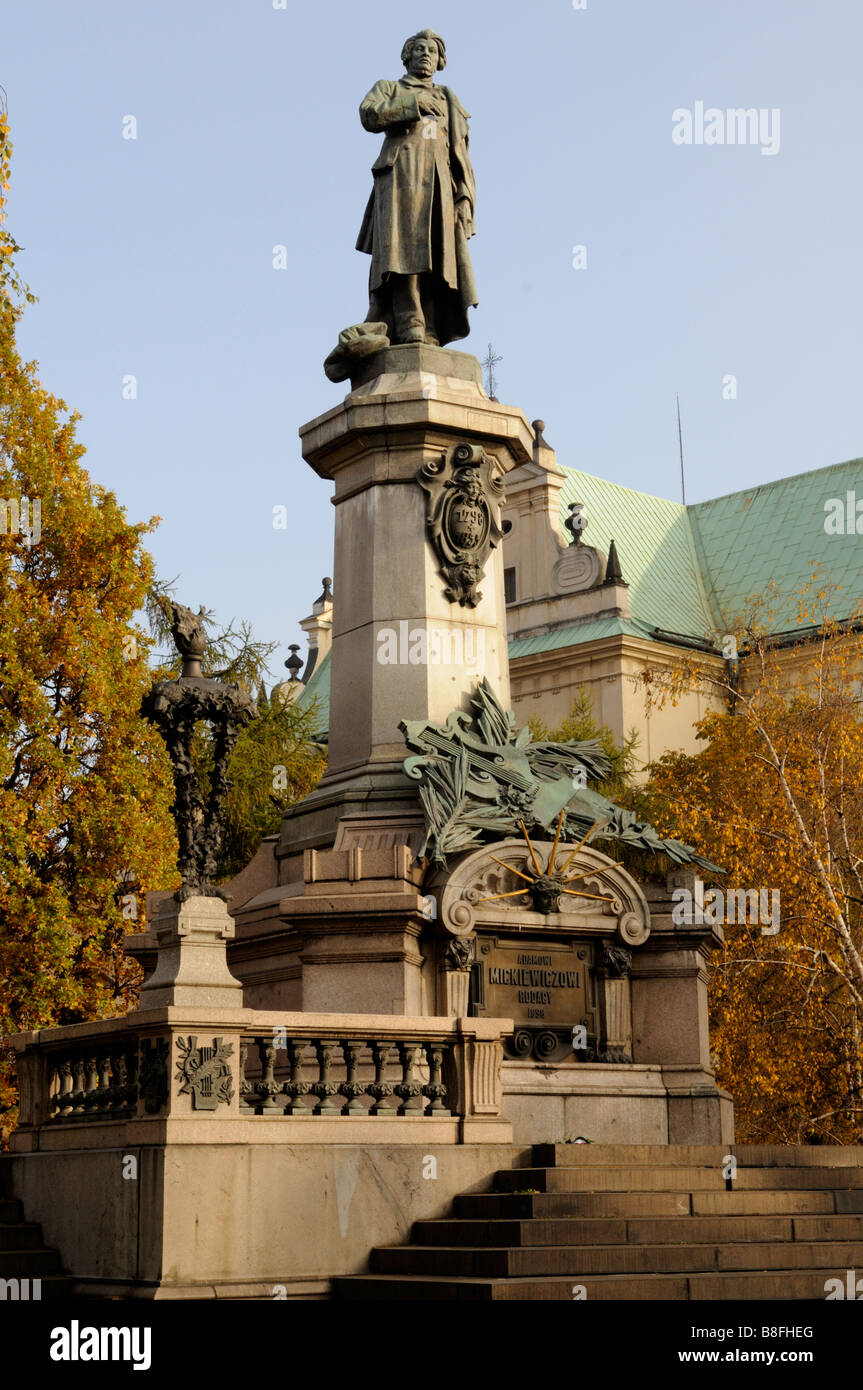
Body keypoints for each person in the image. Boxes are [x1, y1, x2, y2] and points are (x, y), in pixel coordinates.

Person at [355, 28, 478, 347]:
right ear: (406, 56)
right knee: (403, 251)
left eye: (432, 51)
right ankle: (411, 320)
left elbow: (461, 153)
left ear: (440, 61)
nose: (426, 54)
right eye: (419, 49)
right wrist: (412, 103)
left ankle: (431, 323)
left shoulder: (449, 99)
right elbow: (369, 115)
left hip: (440, 181)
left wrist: (465, 196)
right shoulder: (390, 88)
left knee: (438, 255)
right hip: (401, 175)